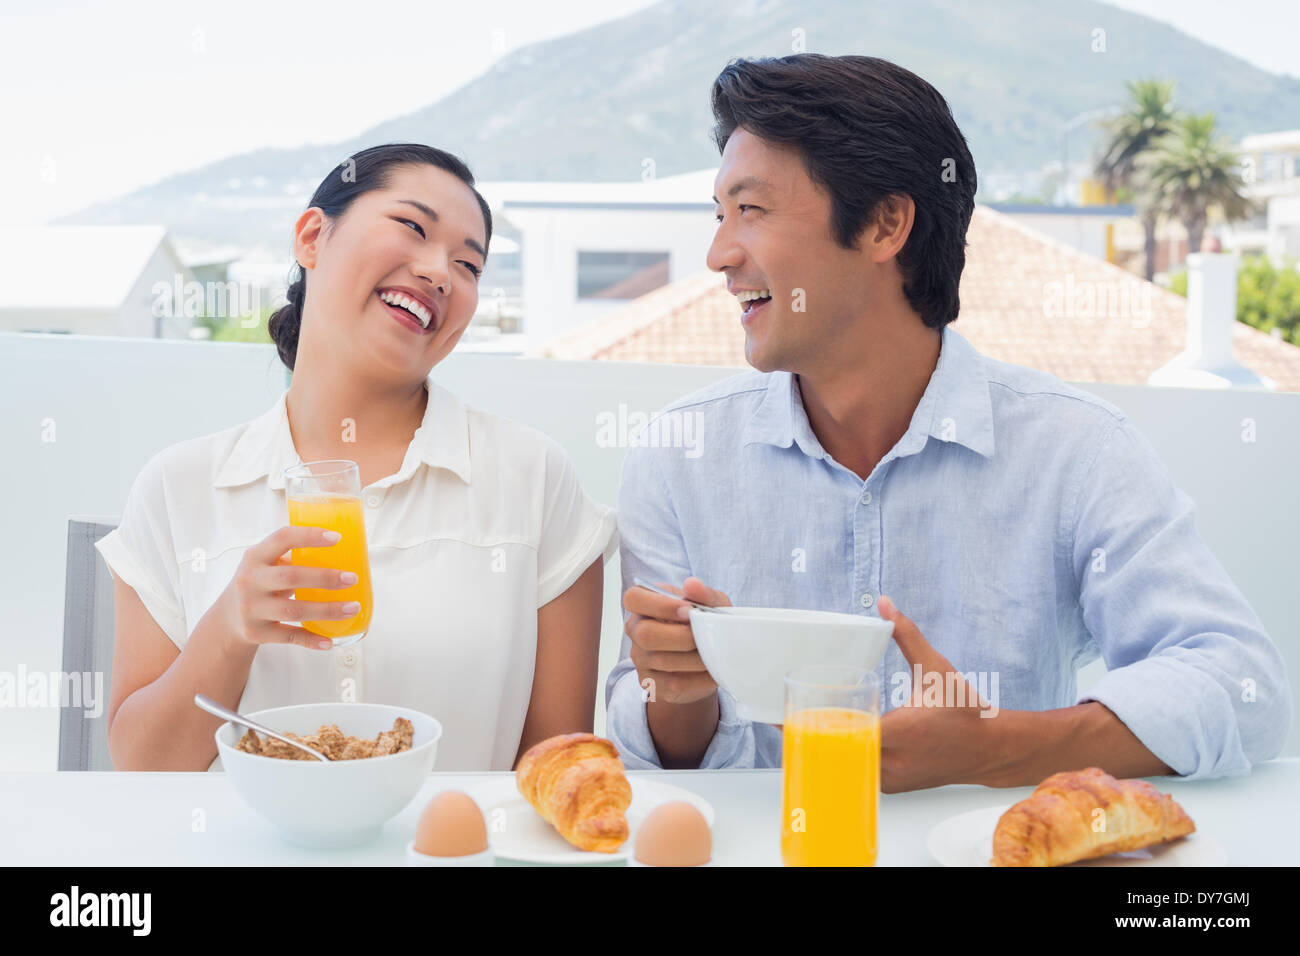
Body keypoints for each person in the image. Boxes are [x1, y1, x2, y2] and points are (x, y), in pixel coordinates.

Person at [605, 55, 1291, 788]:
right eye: (719, 214)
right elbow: (656, 750)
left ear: (884, 223)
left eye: (752, 210)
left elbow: (1241, 684)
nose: (718, 255)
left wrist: (1005, 747)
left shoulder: (1074, 451)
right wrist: (678, 692)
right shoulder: (677, 459)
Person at [97, 144, 617, 772]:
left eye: (468, 265)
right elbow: (142, 773)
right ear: (313, 237)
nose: (439, 273)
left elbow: (555, 771)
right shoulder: (177, 489)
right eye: (412, 227)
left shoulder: (534, 479)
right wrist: (228, 630)